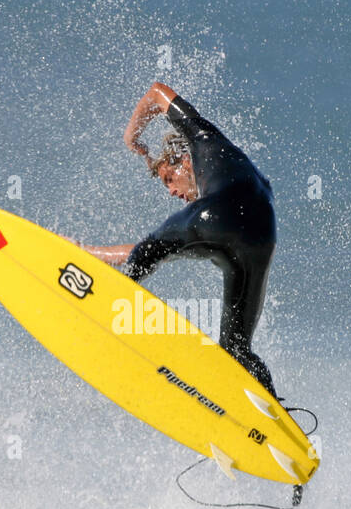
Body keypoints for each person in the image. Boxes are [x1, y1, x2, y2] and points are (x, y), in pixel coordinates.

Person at [72, 82, 281, 398]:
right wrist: (87, 251)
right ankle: (274, 417)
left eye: (169, 179)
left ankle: (103, 317)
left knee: (149, 252)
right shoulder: (233, 174)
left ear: (183, 160)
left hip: (220, 216)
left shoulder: (202, 139)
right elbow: (154, 248)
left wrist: (132, 136)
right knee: (236, 351)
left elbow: (156, 92)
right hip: (261, 239)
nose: (171, 191)